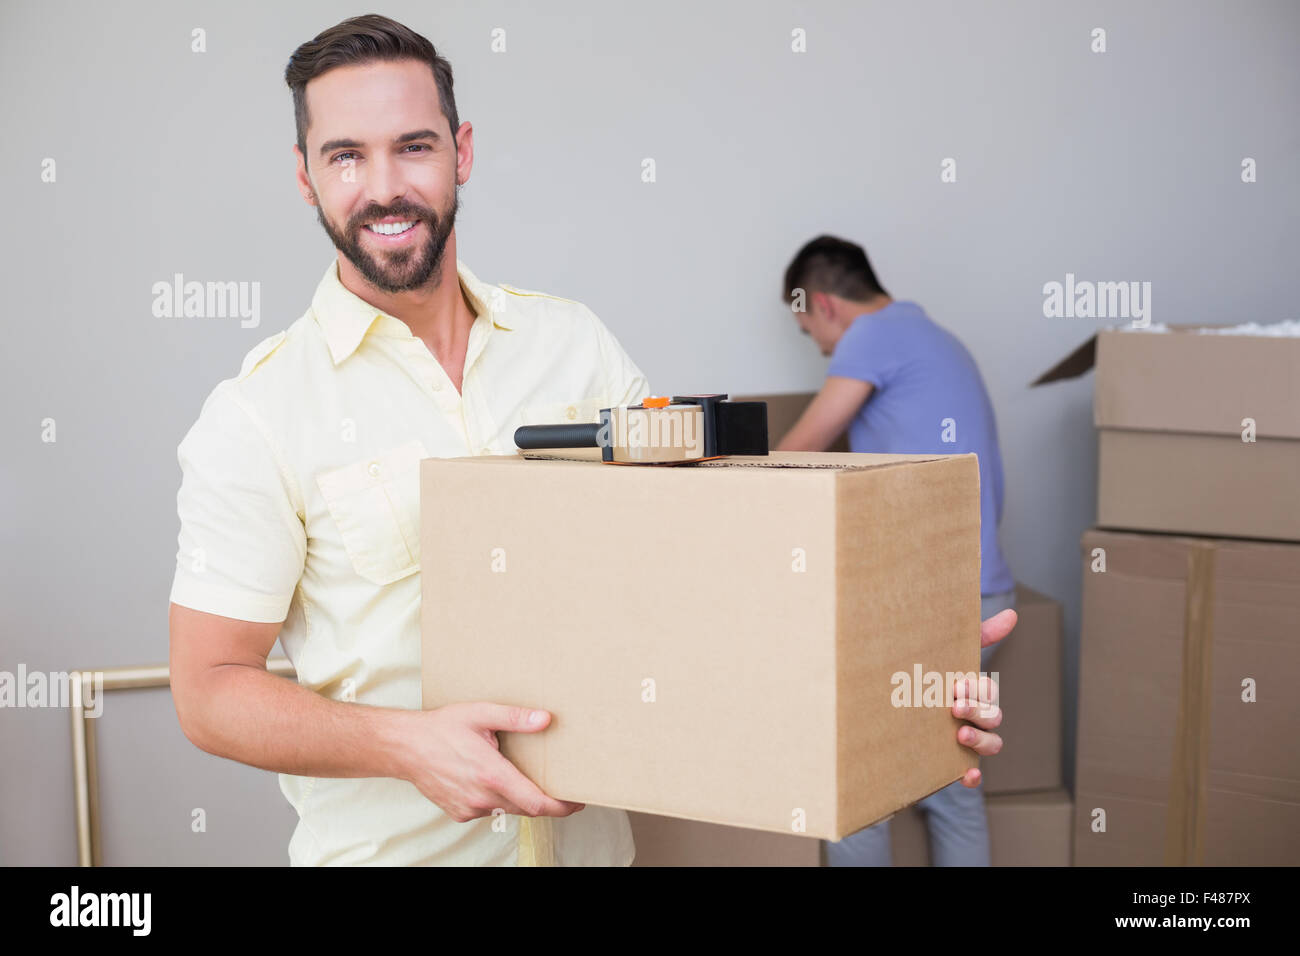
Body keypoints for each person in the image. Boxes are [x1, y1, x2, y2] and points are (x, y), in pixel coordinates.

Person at [168, 16, 1013, 867]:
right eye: (345, 155)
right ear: (306, 176)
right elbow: (208, 693)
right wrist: (408, 745)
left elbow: (694, 575)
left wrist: (895, 665)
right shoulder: (258, 412)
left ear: (462, 152)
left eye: (413, 146)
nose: (383, 187)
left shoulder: (573, 345)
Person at [777, 235, 1015, 866]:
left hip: (933, 607)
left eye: (809, 332)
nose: (822, 349)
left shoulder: (871, 337)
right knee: (948, 785)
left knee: (857, 787)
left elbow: (799, 451)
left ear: (824, 304)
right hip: (983, 593)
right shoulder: (933, 336)